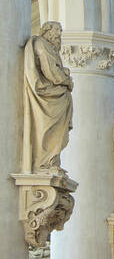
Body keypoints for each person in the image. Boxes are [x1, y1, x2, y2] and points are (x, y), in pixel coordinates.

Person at [23, 22, 73, 171]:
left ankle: (51, 160)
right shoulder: (41, 44)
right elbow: (50, 70)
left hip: (56, 96)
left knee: (56, 132)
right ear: (47, 30)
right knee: (46, 128)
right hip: (47, 97)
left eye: (60, 30)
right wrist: (65, 80)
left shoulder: (51, 47)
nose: (59, 34)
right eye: (57, 30)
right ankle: (44, 162)